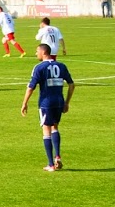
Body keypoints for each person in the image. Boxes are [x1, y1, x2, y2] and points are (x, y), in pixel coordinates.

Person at [21, 42, 76, 172]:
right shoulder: (61, 66)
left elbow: (31, 87)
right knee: (55, 127)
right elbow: (72, 85)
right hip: (59, 101)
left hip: (46, 102)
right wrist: (67, 102)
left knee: (46, 130)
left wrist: (24, 103)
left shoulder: (39, 67)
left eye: (37, 51)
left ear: (43, 52)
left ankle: (51, 164)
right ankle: (58, 155)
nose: (36, 54)